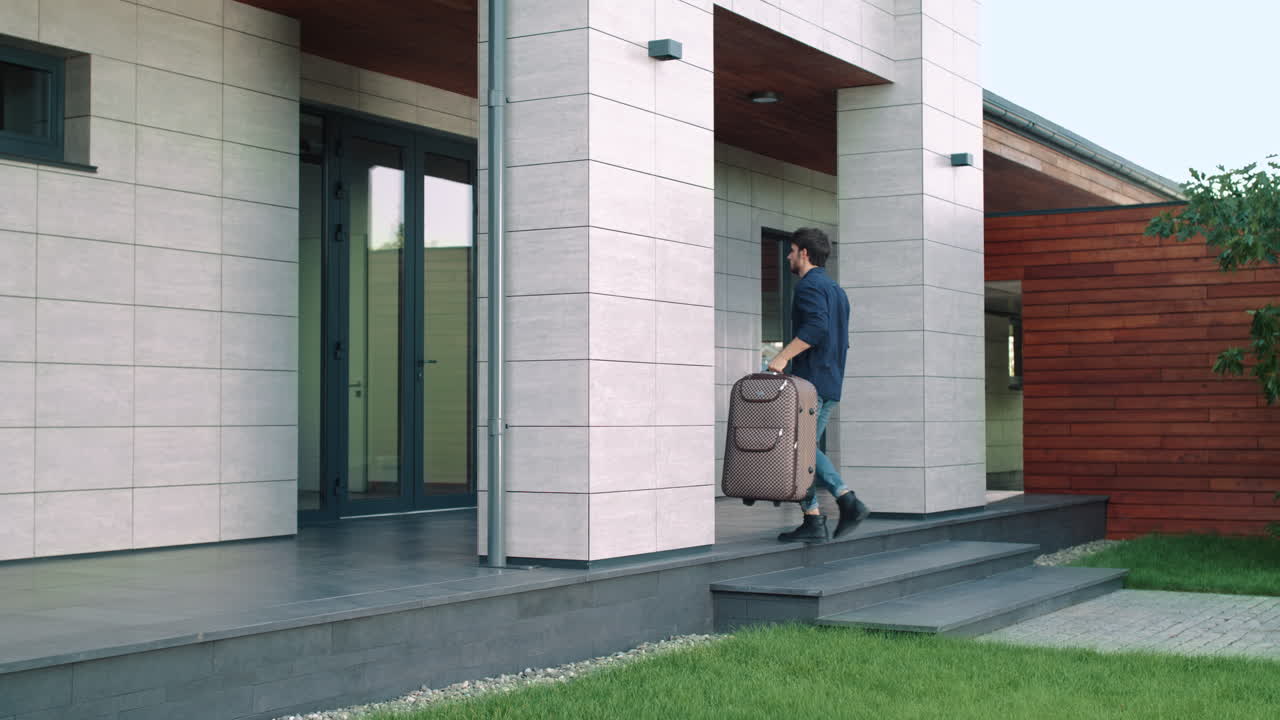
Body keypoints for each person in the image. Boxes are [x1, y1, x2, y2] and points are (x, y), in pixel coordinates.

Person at [767, 227, 870, 542]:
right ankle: (814, 517)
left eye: (791, 250)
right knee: (800, 448)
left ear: (804, 254)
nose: (788, 256)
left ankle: (845, 499)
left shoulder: (809, 286)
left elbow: (816, 328)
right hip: (829, 381)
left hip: (811, 384)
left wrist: (781, 358)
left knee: (800, 448)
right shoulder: (836, 290)